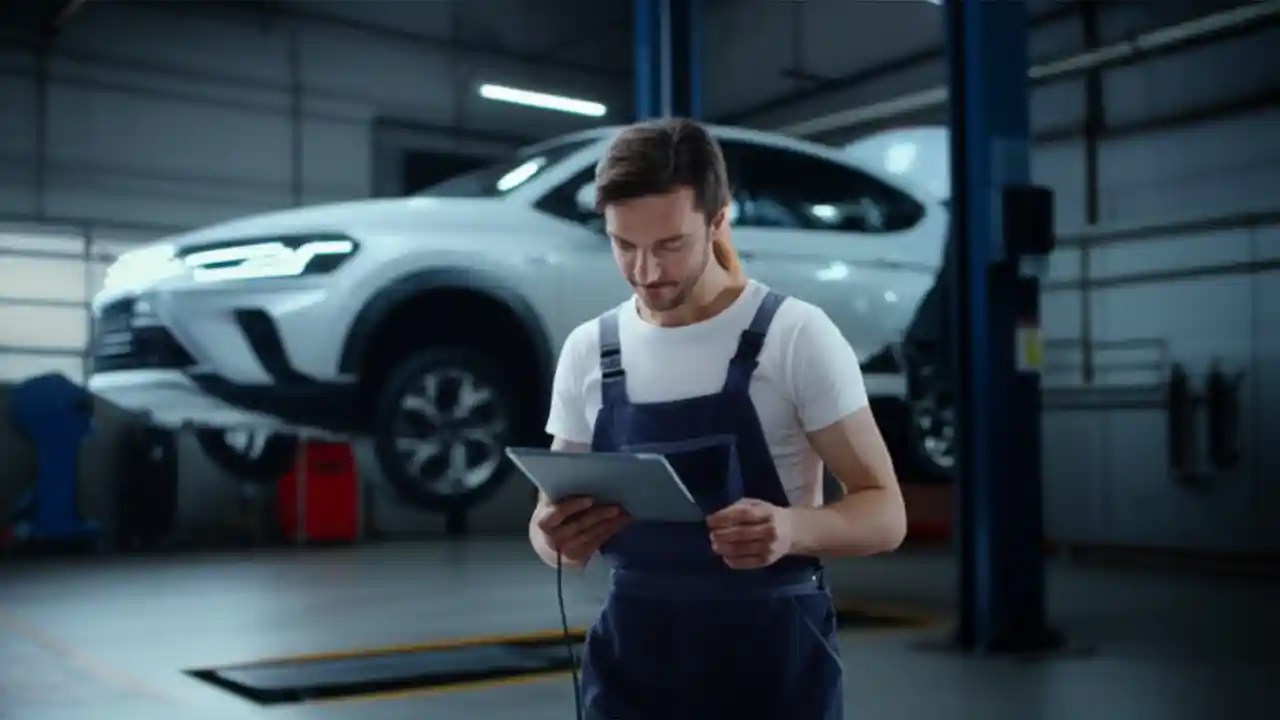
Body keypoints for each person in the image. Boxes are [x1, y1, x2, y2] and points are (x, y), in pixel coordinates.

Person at [527, 117, 907, 719]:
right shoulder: (588, 352)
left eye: (671, 245)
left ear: (719, 221)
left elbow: (886, 513)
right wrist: (551, 537)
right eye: (624, 246)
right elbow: (552, 535)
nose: (647, 272)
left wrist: (791, 529)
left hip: (770, 657)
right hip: (634, 659)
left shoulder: (794, 336)